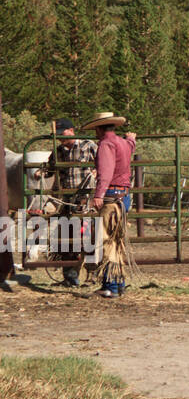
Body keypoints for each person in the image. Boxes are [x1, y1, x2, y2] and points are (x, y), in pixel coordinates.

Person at [81, 112, 137, 297]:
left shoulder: (105, 145)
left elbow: (105, 172)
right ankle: (118, 283)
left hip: (111, 197)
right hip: (123, 197)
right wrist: (131, 139)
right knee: (117, 241)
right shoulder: (122, 142)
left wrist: (98, 194)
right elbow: (130, 146)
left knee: (106, 240)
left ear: (99, 128)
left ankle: (110, 287)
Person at [54, 118, 97, 287]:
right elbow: (51, 168)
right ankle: (70, 276)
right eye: (58, 135)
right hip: (67, 200)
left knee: (89, 235)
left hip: (86, 199)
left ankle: (92, 274)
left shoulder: (89, 145)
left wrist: (97, 171)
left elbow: (105, 162)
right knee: (67, 237)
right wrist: (41, 172)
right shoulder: (59, 151)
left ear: (71, 130)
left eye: (63, 134)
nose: (61, 138)